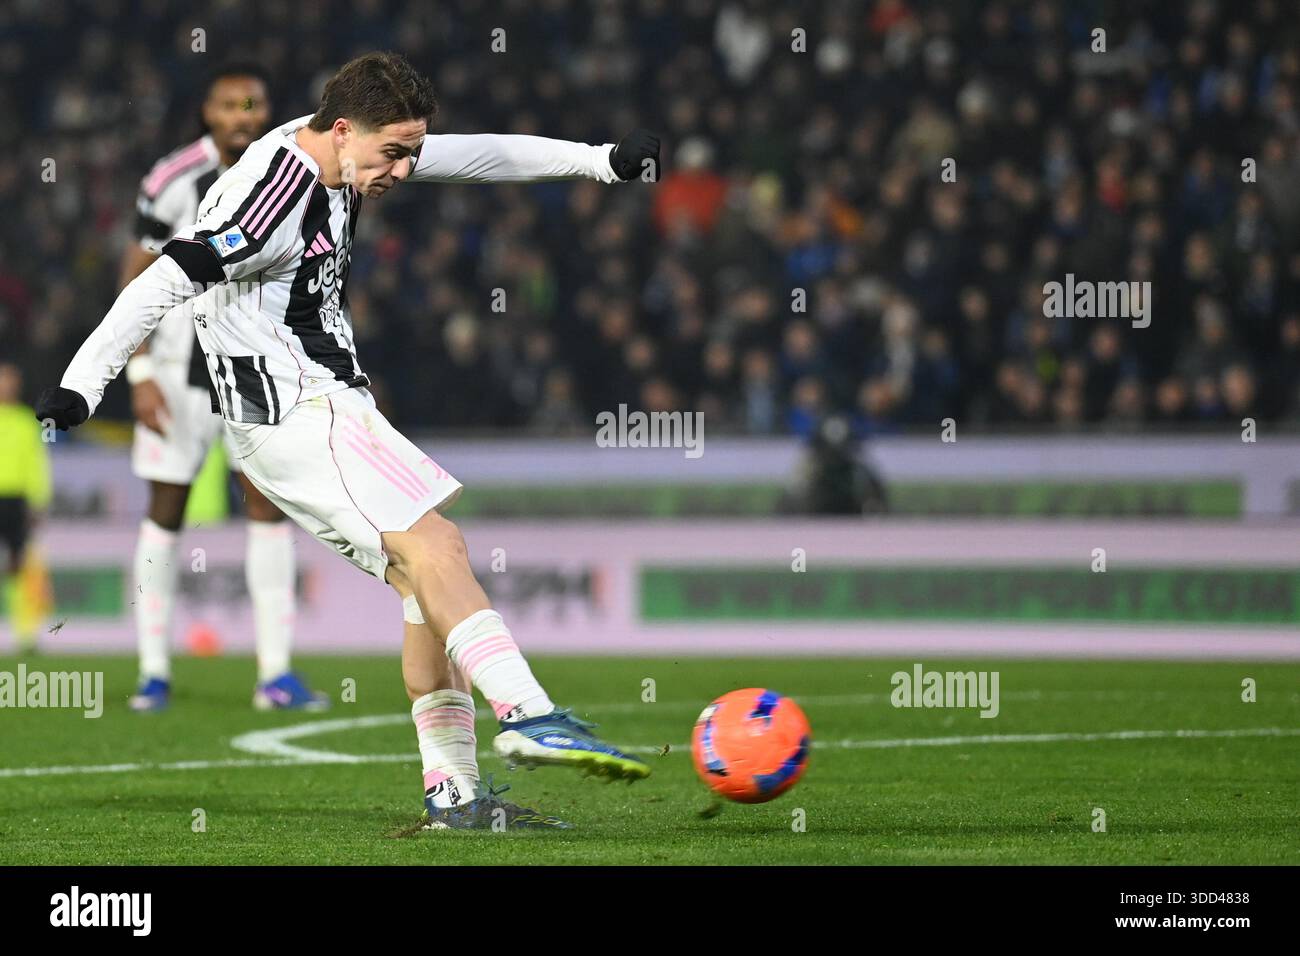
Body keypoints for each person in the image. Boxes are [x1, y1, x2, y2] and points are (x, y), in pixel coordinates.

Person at [36, 51, 661, 830]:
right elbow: (167, 276)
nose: (403, 169)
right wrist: (84, 383)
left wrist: (601, 163)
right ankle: (529, 712)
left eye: (409, 151)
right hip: (303, 411)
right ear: (341, 130)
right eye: (393, 152)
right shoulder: (277, 200)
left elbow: (479, 155)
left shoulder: (339, 152)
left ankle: (455, 797)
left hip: (305, 413)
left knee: (418, 585)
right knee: (440, 547)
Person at [119, 61, 326, 713]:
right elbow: (137, 273)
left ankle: (276, 674)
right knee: (166, 512)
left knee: (268, 510)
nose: (244, 115)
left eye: (254, 104)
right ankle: (153, 671)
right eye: (230, 104)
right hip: (179, 376)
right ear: (208, 113)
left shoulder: (292, 171)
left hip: (256, 372)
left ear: (267, 111)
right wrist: (140, 370)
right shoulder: (173, 177)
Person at [0, 363, 52, 653]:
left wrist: (38, 500)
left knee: (20, 568)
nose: (4, 386)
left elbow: (37, 465)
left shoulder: (26, 422)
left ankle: (25, 634)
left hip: (16, 502)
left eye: (9, 381)